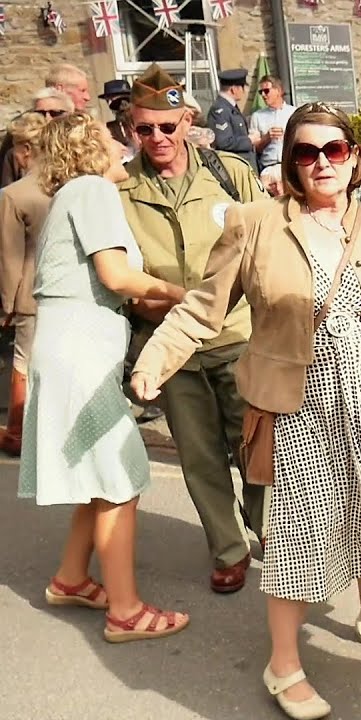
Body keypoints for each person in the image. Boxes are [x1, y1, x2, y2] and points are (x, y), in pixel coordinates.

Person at [131, 102, 361, 720]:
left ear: (355, 159)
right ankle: (283, 664)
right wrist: (155, 361)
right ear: (291, 163)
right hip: (296, 408)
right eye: (306, 152)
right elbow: (202, 306)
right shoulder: (254, 224)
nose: (321, 162)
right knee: (297, 541)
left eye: (334, 150)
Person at [19, 111, 190, 643]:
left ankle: (71, 579)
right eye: (111, 136)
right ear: (90, 149)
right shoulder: (92, 189)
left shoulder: (71, 195)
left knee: (98, 476)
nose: (122, 143)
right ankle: (125, 611)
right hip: (81, 351)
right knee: (120, 474)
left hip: (69, 346)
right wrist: (181, 294)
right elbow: (116, 276)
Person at [118, 64, 267, 594]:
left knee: (255, 446)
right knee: (200, 456)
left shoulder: (230, 174)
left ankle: (269, 532)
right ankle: (228, 550)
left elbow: (266, 244)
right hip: (167, 343)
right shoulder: (120, 189)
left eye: (167, 126)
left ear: (187, 121)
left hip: (236, 336)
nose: (157, 137)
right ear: (131, 128)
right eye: (144, 128)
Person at [0, 111, 53, 455]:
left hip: (30, 295)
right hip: (67, 293)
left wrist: (5, 305)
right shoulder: (68, 185)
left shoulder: (14, 194)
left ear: (26, 150)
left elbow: (10, 258)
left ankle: (18, 433)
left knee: (24, 361)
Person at [208, 68, 258, 169]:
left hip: (242, 164)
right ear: (234, 89)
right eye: (242, 87)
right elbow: (224, 142)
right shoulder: (220, 110)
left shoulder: (229, 107)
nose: (244, 91)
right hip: (234, 166)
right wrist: (249, 140)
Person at [250, 75, 296, 171]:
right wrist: (266, 138)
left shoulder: (294, 113)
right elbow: (255, 149)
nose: (263, 95)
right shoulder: (257, 116)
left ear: (278, 91)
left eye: (266, 91)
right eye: (261, 92)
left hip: (291, 165)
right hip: (269, 166)